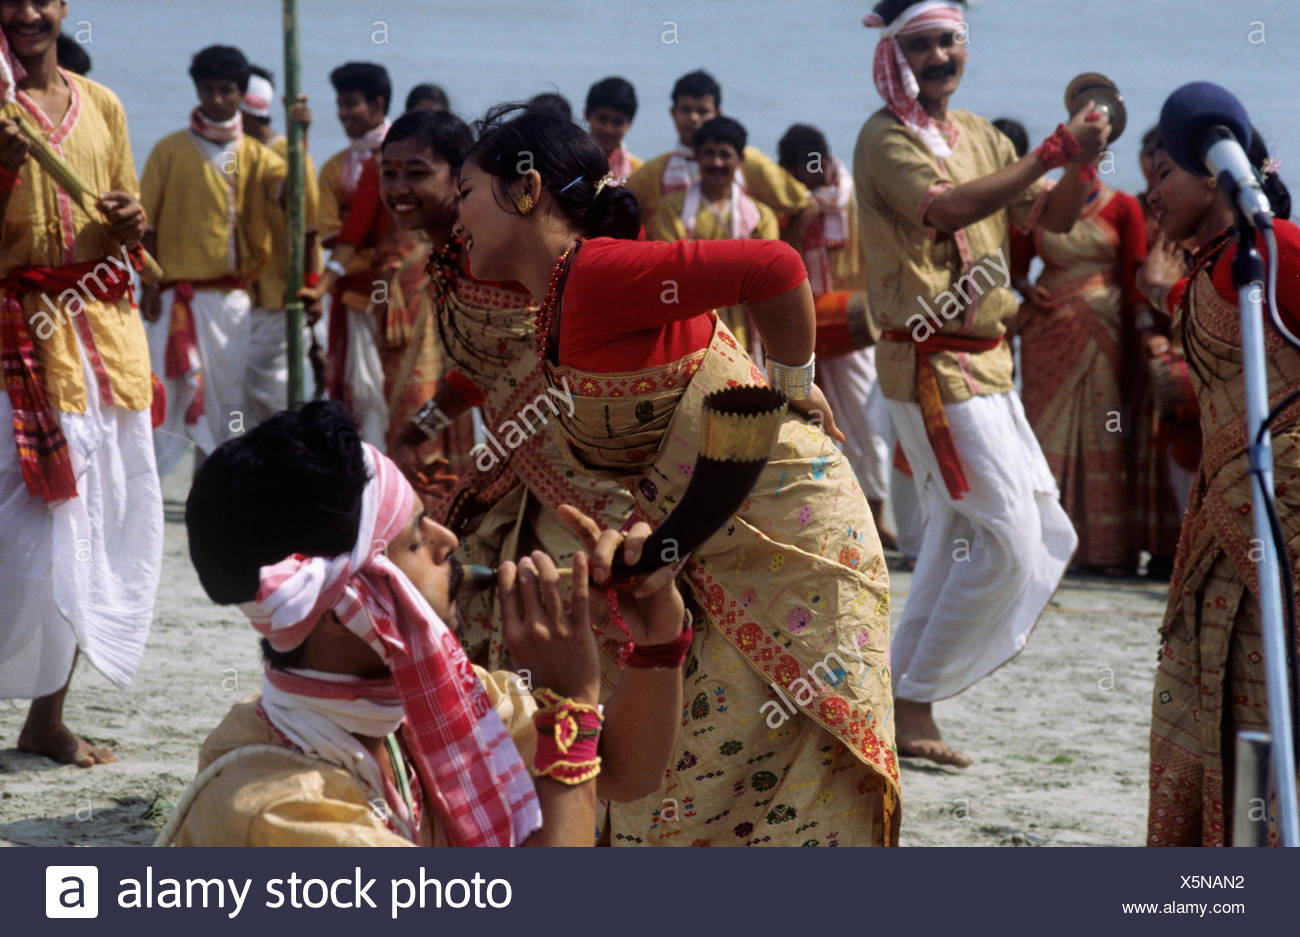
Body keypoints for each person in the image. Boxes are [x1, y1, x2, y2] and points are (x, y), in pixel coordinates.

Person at [454, 104, 899, 846]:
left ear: (526, 191)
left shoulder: (595, 272)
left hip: (792, 540)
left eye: (466, 192)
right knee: (712, 754)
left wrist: (790, 383)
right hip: (713, 532)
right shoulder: (557, 298)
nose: (455, 214)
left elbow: (776, 267)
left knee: (780, 757)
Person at [164, 400, 685, 846]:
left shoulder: (427, 701)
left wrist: (657, 642)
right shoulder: (279, 806)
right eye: (415, 541)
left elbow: (621, 769)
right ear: (344, 618)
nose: (449, 541)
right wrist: (566, 703)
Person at [854, 0, 1109, 766]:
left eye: (950, 44)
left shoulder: (981, 135)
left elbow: (1052, 221)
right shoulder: (883, 137)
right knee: (1007, 539)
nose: (940, 58)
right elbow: (947, 211)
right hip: (930, 367)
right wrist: (1046, 153)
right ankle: (914, 696)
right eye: (925, 46)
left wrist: (1081, 158)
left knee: (977, 537)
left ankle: (901, 696)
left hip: (988, 361)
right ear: (897, 54)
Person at [368, 109, 636, 667]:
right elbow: (489, 369)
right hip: (517, 468)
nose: (398, 188)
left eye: (417, 173)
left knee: (582, 600)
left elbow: (544, 353)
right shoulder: (449, 259)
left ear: (460, 177)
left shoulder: (509, 252)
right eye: (387, 173)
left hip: (582, 467)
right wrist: (422, 427)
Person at [0, 2, 161, 766]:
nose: (26, 12)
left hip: (101, 336)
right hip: (18, 340)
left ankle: (46, 717)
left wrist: (130, 223)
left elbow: (125, 222)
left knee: (90, 527)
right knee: (22, 532)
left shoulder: (103, 105)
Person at [1138, 130, 1298, 847]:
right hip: (1215, 541)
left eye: (1163, 174)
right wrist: (1154, 290)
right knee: (1219, 723)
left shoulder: (1280, 254)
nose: (1149, 192)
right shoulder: (1208, 269)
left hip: (1284, 532)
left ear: (1214, 179)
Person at [139, 44, 287, 475]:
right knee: (163, 406)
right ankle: (148, 492)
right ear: (197, 91)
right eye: (208, 90)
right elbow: (145, 225)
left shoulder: (260, 157)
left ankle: (213, 494)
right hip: (173, 298)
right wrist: (147, 284)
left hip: (230, 302)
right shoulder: (170, 150)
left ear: (241, 94)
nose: (217, 100)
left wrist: (298, 137)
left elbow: (290, 199)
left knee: (227, 411)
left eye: (227, 91)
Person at [1008, 153, 1148, 573]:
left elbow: (1134, 274)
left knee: (1104, 431)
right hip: (1048, 333)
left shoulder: (1124, 207)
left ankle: (1103, 549)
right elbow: (1014, 267)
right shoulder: (1041, 204)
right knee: (1044, 431)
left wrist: (1146, 332)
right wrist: (1025, 290)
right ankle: (1043, 546)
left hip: (1104, 332)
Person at [778, 122, 897, 549]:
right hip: (800, 327)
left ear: (825, 163)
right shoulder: (791, 205)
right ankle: (829, 516)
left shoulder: (859, 202)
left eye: (806, 171)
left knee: (867, 426)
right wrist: (805, 214)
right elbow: (779, 256)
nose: (801, 181)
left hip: (853, 325)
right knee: (809, 427)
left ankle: (878, 519)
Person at [648, 116, 778, 355]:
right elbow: (672, 264)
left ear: (740, 160)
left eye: (725, 155)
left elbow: (767, 274)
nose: (716, 162)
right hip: (690, 323)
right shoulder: (672, 208)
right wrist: (738, 270)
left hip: (743, 329)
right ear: (696, 156)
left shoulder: (761, 216)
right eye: (709, 153)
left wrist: (708, 267)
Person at [1132, 123, 1198, 579]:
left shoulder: (1197, 215)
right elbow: (1136, 281)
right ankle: (1164, 548)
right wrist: (1147, 334)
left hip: (1194, 339)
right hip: (1155, 346)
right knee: (1153, 445)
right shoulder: (1142, 211)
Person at [239, 64, 320, 421]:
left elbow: (309, 227)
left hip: (275, 299)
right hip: (238, 297)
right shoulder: (235, 153)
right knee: (236, 402)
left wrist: (299, 139)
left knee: (272, 401)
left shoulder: (286, 154)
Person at [625, 69, 809, 226]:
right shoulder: (653, 172)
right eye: (686, 110)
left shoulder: (751, 163)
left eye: (702, 111)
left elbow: (805, 204)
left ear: (718, 113)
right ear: (673, 113)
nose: (694, 118)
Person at [318, 61, 392, 446]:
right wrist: (367, 237)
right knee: (364, 391)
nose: (343, 114)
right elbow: (327, 234)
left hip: (404, 295)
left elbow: (341, 235)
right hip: (356, 295)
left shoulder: (398, 155)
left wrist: (353, 234)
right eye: (339, 104)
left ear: (377, 104)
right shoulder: (334, 169)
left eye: (351, 104)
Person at [584, 76, 641, 182]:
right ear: (587, 114)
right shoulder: (566, 165)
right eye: (602, 119)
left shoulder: (640, 173)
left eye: (617, 122)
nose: (608, 130)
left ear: (630, 123)